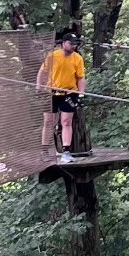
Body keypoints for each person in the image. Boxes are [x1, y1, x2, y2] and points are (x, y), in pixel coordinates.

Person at [44, 27, 85, 161]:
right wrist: (39, 86)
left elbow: (80, 77)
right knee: (49, 121)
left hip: (69, 93)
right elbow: (42, 72)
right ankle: (45, 150)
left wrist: (81, 93)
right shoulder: (52, 56)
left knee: (66, 121)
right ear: (64, 43)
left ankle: (66, 151)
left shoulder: (77, 58)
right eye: (71, 43)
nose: (74, 46)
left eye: (75, 44)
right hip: (51, 93)